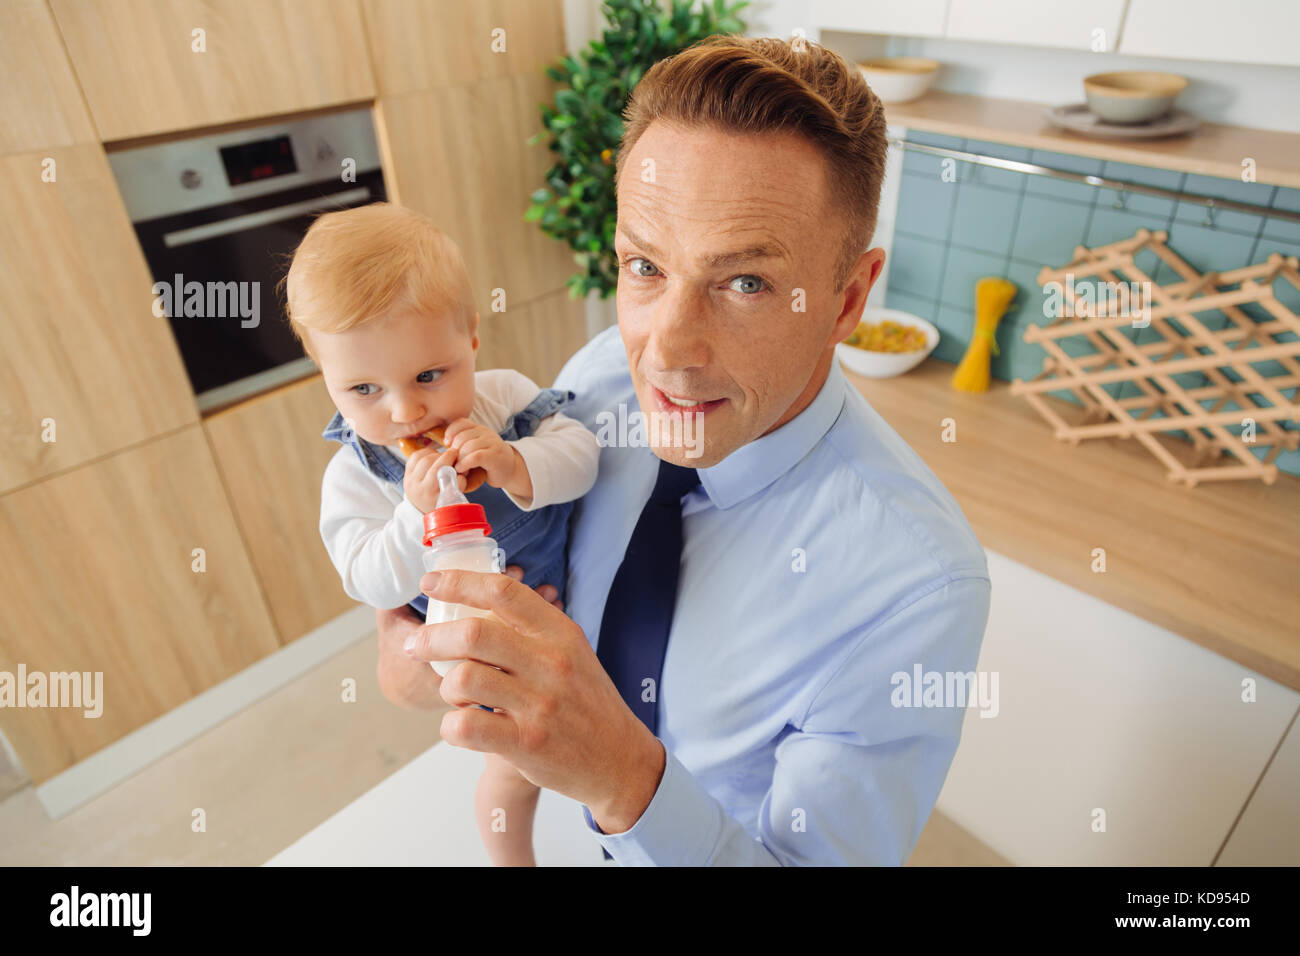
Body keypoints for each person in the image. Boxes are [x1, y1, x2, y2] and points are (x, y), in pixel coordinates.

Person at [376, 35, 992, 865]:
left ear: (847, 300)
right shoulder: (599, 380)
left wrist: (622, 778)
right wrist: (414, 643)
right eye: (645, 266)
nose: (665, 352)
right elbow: (455, 594)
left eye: (745, 283)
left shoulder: (918, 587)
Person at [284, 202, 600, 866]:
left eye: (430, 375)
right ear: (325, 379)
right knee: (515, 771)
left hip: (573, 609)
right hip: (478, 653)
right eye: (364, 389)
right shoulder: (356, 477)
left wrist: (514, 462)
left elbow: (583, 457)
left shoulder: (504, 400)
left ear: (472, 338)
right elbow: (368, 579)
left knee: (595, 732)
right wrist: (414, 515)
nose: (406, 410)